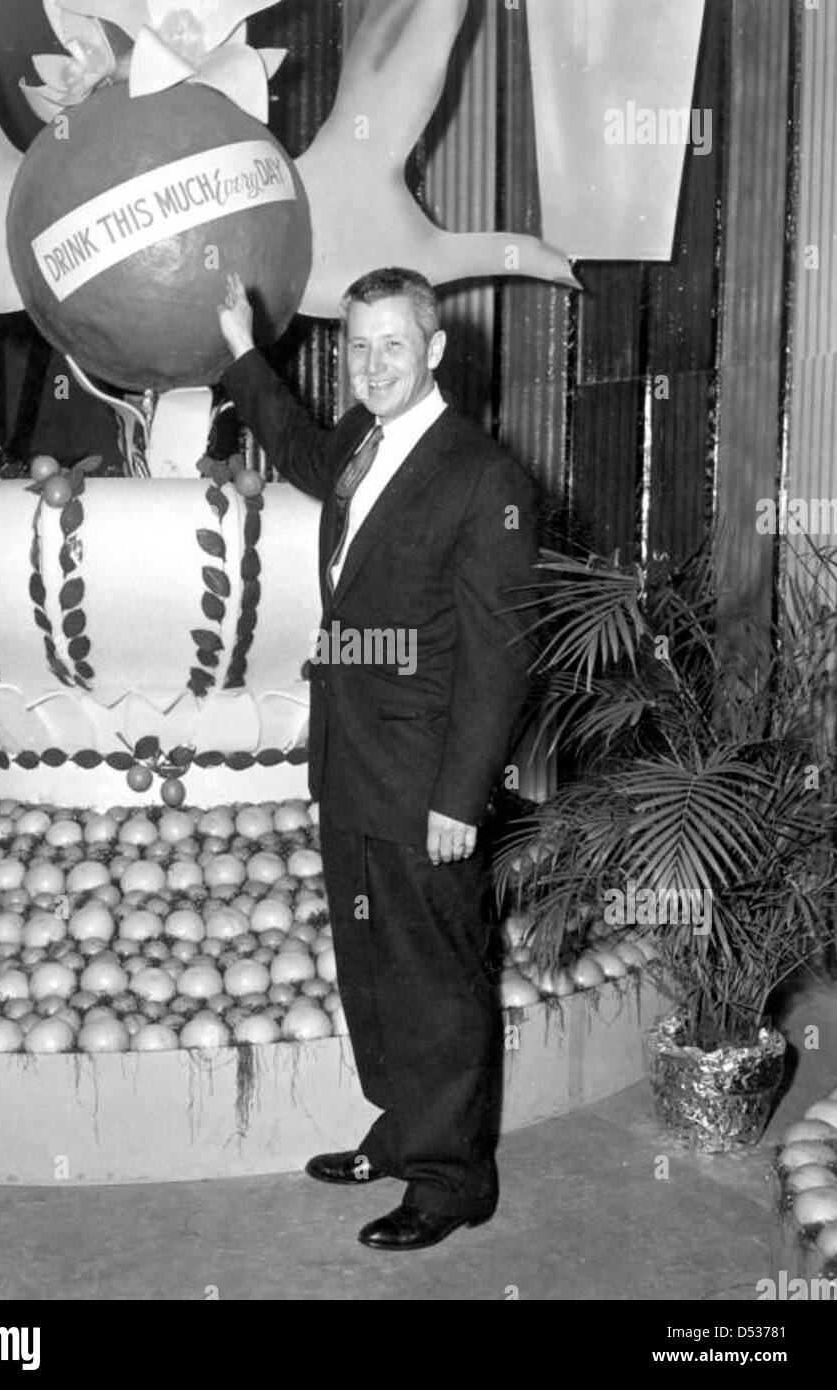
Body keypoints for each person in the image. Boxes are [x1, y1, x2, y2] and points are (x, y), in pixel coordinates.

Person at [217, 267, 538, 1251]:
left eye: (393, 344)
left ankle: (451, 1179)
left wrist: (461, 795)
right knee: (372, 969)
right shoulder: (362, 439)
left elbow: (503, 655)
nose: (373, 364)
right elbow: (307, 449)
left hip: (426, 779)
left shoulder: (483, 477)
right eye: (358, 346)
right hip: (351, 761)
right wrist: (242, 352)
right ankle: (402, 1128)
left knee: (435, 979)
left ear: (435, 349)